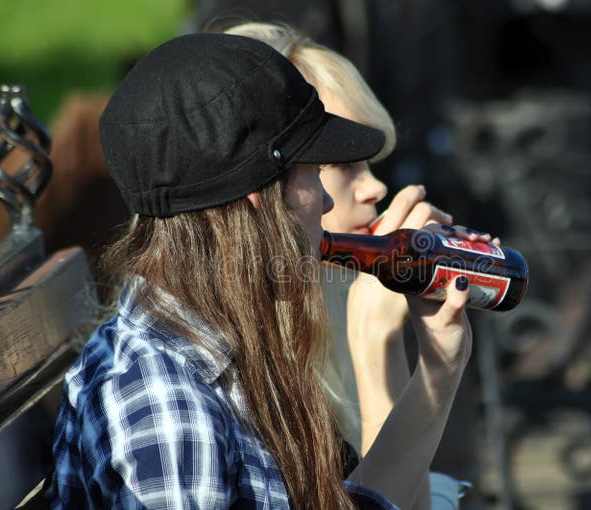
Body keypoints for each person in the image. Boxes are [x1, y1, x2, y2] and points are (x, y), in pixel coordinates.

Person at [46, 32, 476, 509]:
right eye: (317, 173)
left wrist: (442, 365)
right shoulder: (168, 405)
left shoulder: (223, 345)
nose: (331, 200)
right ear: (260, 199)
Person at [223, 22, 493, 508]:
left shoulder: (324, 301)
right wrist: (375, 346)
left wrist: (395, 344)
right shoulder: (231, 363)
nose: (375, 190)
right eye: (344, 164)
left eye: (370, 163)